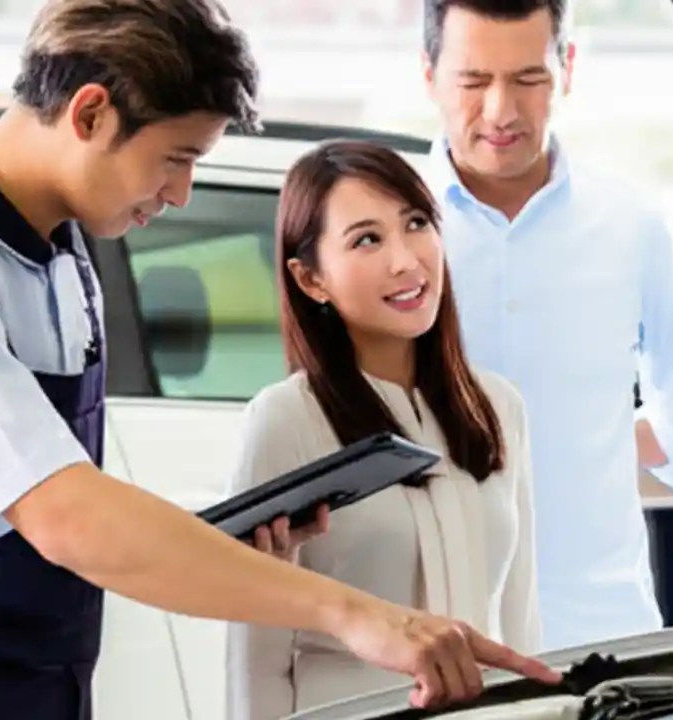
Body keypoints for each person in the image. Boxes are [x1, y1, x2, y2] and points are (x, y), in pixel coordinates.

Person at [0, 2, 559, 717]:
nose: (182, 194)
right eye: (176, 157)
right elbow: (66, 517)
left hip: (35, 689)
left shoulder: (63, 257)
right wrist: (355, 613)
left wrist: (218, 548)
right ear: (90, 112)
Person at [420, 0, 673, 651]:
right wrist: (588, 438)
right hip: (435, 647)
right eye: (474, 81)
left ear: (567, 68)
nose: (501, 111)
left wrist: (588, 439)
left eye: (528, 79)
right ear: (428, 76)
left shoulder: (635, 225)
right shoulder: (391, 232)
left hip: (582, 642)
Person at [224, 139, 542, 719]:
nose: (406, 260)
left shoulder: (499, 406)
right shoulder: (286, 419)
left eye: (416, 223)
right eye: (366, 239)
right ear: (310, 278)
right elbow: (255, 657)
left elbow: (521, 620)